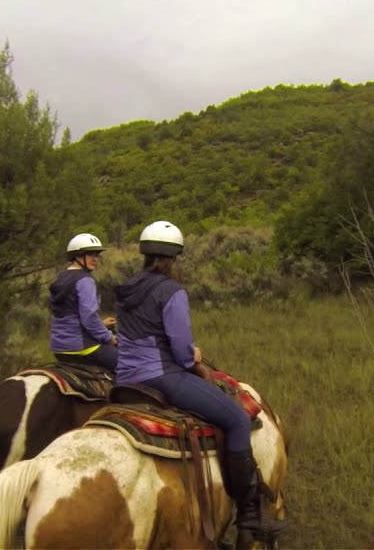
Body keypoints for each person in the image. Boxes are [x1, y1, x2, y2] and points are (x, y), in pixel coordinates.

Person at [114, 221, 288, 541]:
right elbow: (181, 350)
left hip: (124, 380)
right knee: (236, 420)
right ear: (173, 258)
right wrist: (192, 356)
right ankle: (249, 516)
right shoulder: (172, 291)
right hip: (162, 377)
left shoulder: (126, 288)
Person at [49, 233, 117, 372]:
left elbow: (69, 314)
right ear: (78, 256)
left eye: (97, 255)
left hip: (59, 348)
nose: (95, 259)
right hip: (82, 348)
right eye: (91, 255)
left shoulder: (60, 277)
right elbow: (89, 317)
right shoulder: (85, 280)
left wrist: (102, 324)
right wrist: (109, 337)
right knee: (132, 365)